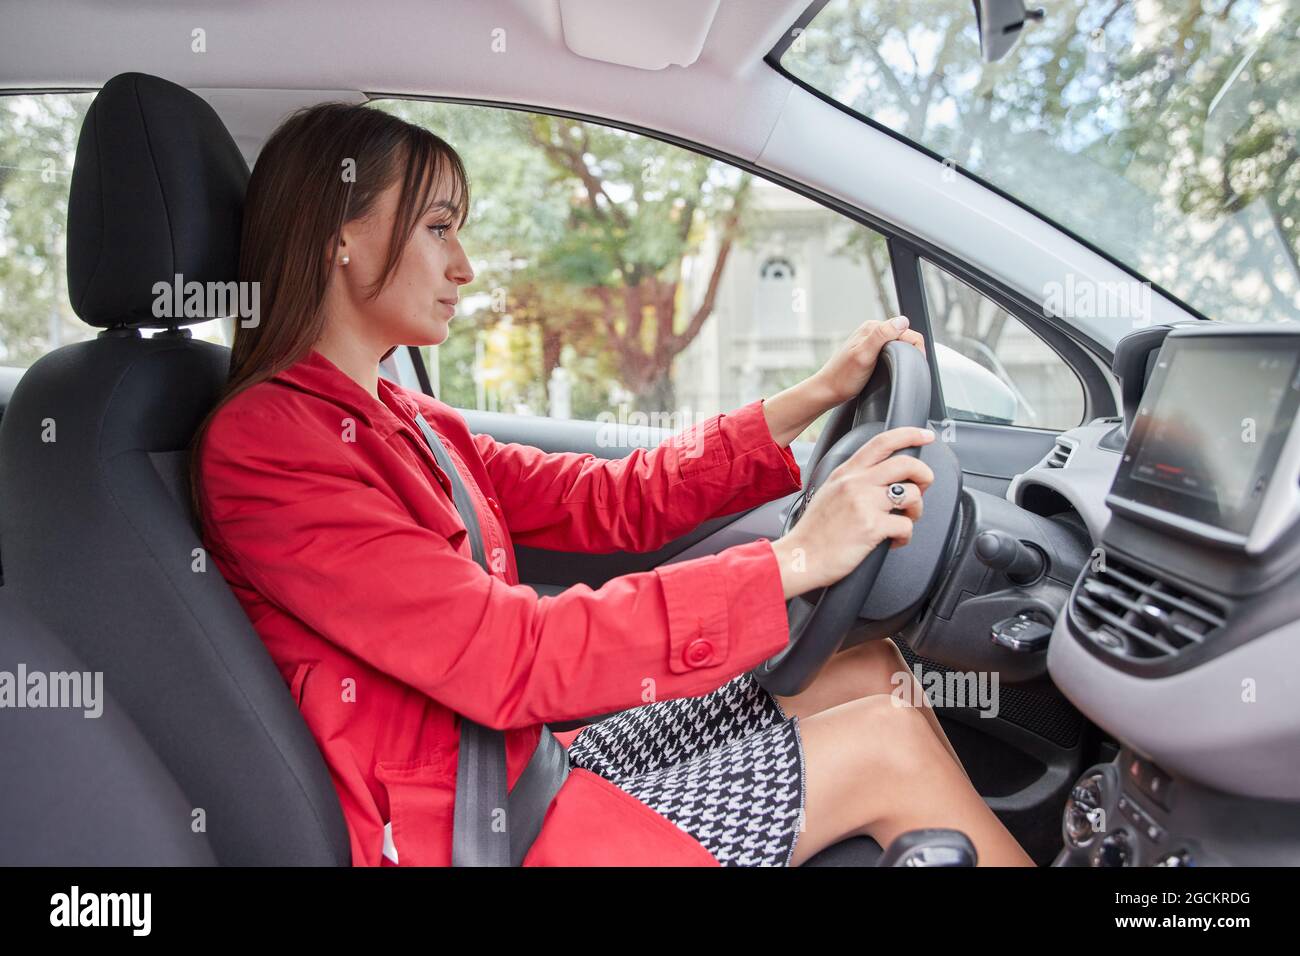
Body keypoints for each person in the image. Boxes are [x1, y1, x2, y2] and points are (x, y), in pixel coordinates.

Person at [190, 103, 1033, 867]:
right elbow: (505, 655)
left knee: (865, 671)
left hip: (511, 762)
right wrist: (793, 561)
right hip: (465, 831)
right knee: (887, 745)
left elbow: (610, 497)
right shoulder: (270, 444)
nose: (466, 267)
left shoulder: (410, 419)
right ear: (342, 234)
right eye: (440, 228)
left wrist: (810, 400)